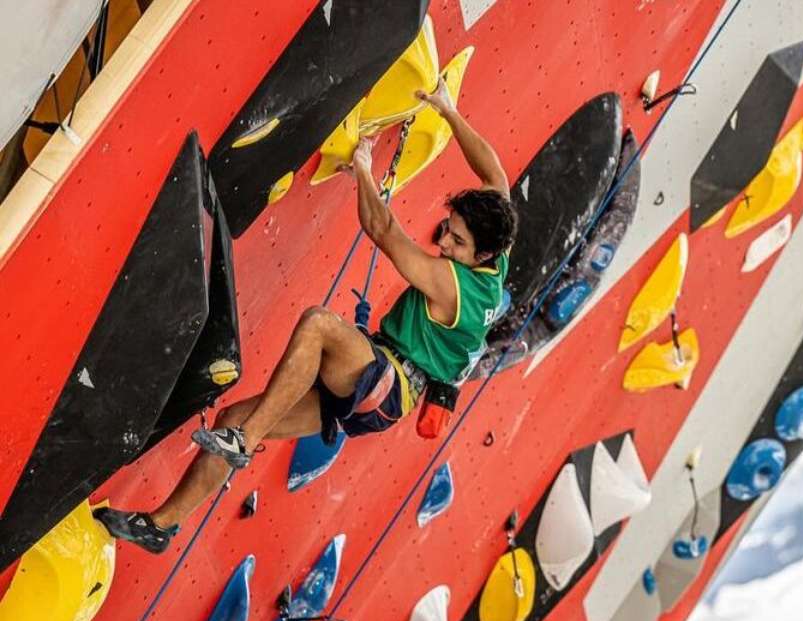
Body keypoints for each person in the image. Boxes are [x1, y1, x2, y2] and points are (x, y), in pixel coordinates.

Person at [95, 81, 518, 553]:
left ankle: (244, 439)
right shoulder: (493, 255)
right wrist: (448, 111)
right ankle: (161, 526)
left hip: (388, 381)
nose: (443, 244)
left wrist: (361, 167)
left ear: (480, 250)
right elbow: (494, 170)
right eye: (449, 233)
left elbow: (381, 228)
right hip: (381, 388)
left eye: (456, 243)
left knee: (318, 324)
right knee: (233, 414)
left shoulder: (453, 284)